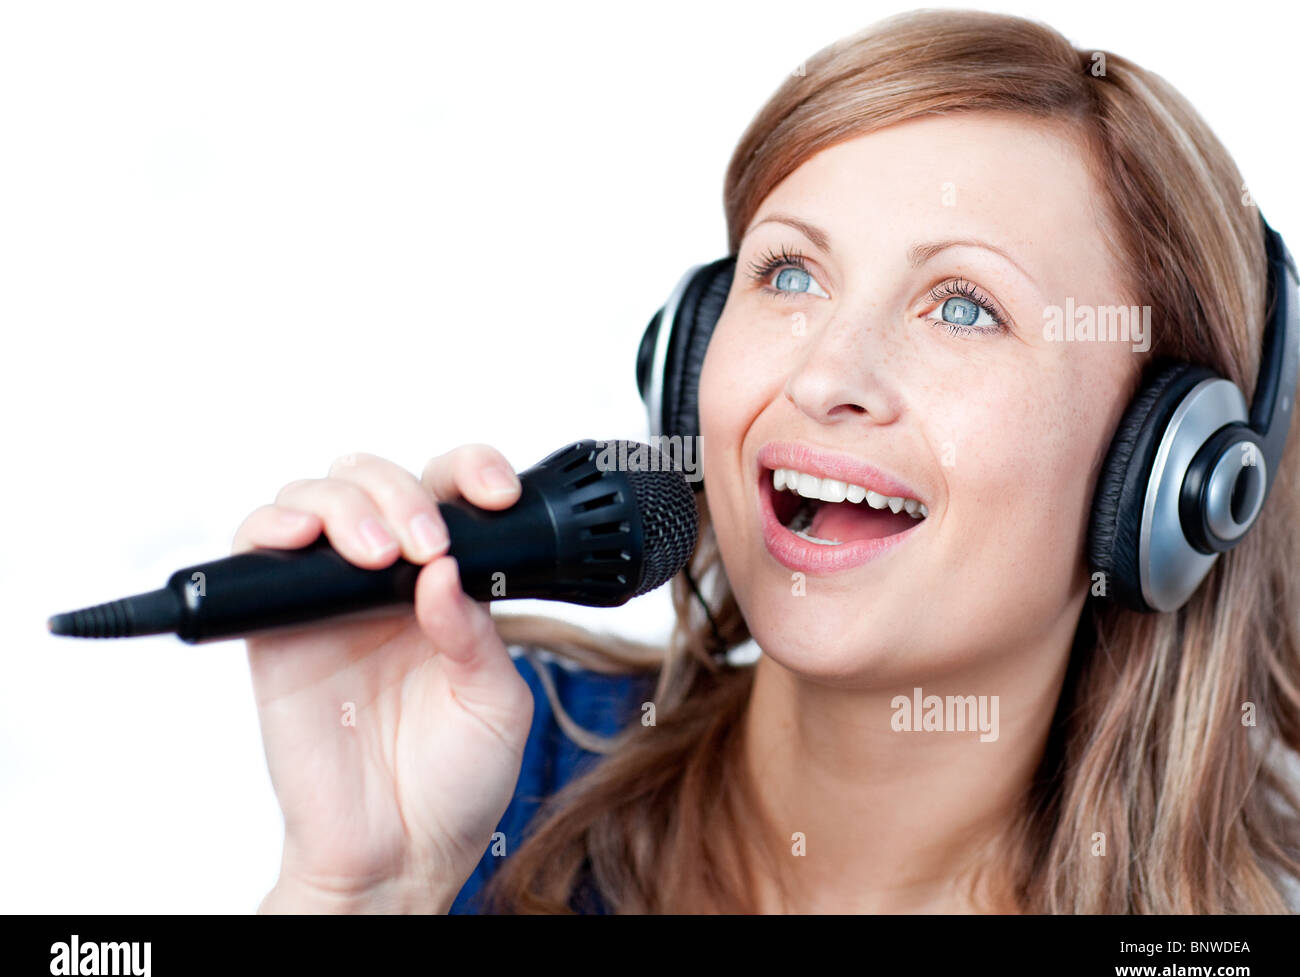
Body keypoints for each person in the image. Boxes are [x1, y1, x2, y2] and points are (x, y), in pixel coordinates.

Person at [243, 9, 1300, 914]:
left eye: (966, 307)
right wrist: (357, 894)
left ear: (1167, 476)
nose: (826, 373)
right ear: (691, 348)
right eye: (790, 274)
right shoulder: (491, 777)